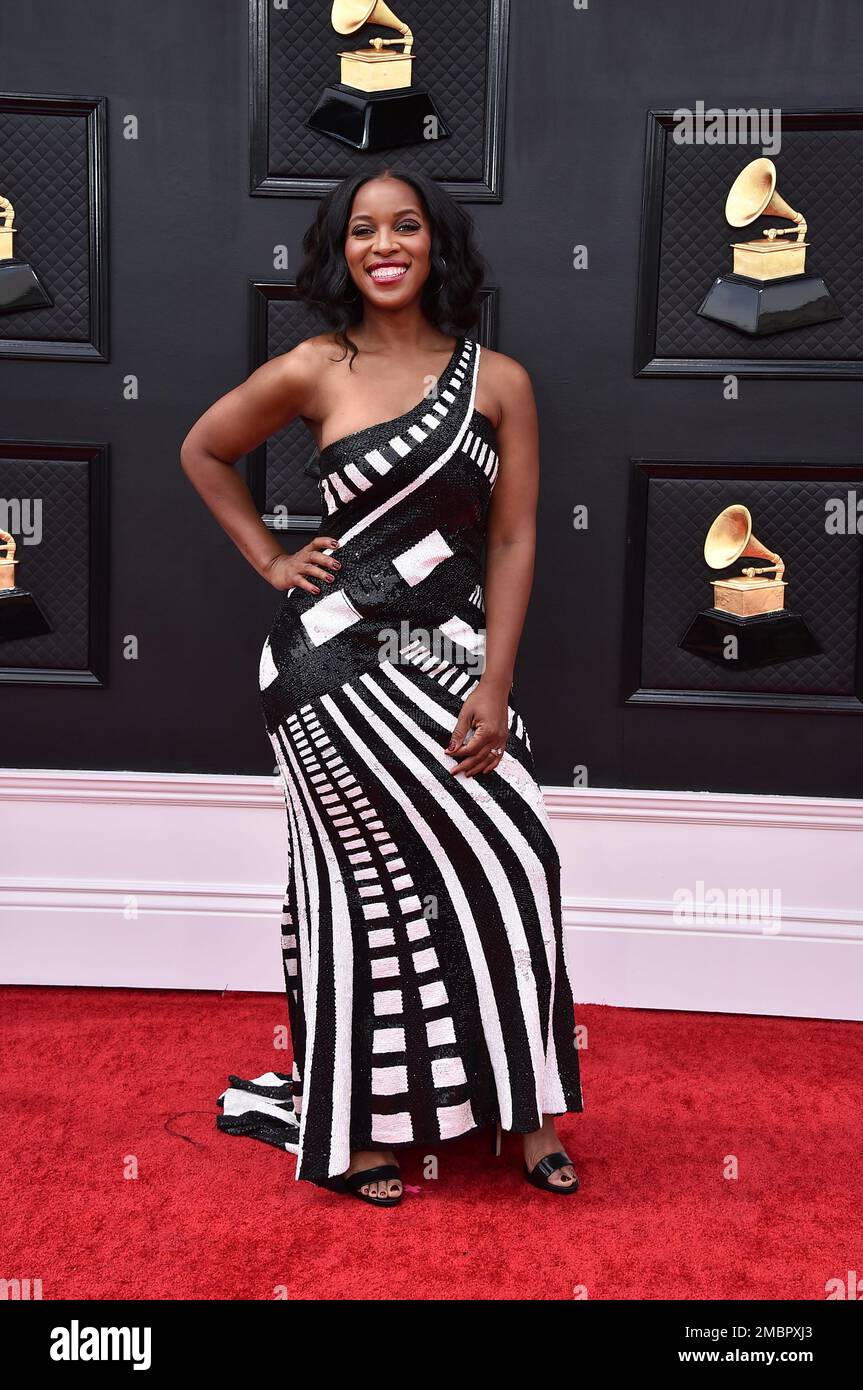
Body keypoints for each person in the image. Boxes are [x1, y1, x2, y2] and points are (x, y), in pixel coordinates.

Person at [180, 164, 584, 1206]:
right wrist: (272, 559)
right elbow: (204, 450)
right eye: (363, 230)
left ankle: (523, 1106)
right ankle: (354, 1124)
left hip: (449, 653)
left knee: (513, 860)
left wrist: (495, 680)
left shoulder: (500, 382)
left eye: (405, 225)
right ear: (342, 251)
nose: (384, 244)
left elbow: (512, 536)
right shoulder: (315, 367)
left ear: (435, 244)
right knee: (355, 893)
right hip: (327, 664)